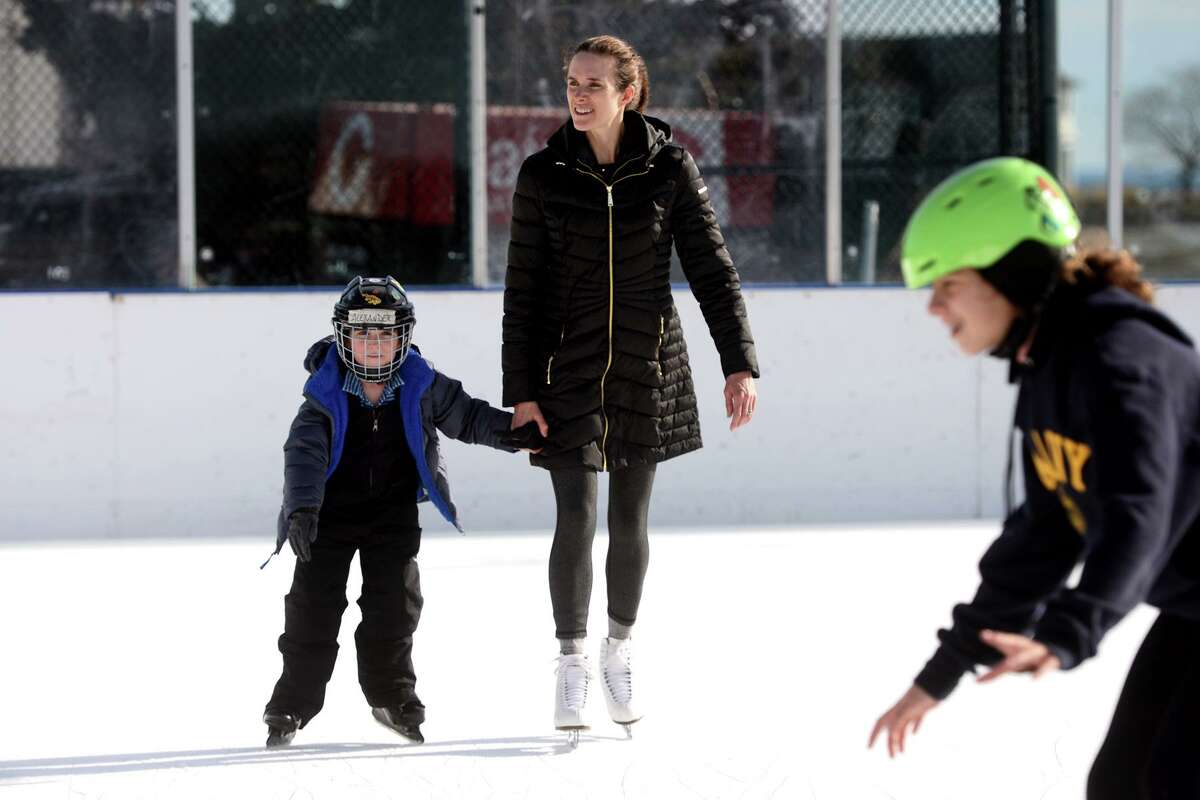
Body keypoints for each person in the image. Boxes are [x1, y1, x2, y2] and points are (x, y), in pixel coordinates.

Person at [868, 157, 1200, 799]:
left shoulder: (1126, 361)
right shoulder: (1052, 367)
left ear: (1008, 273)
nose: (935, 309)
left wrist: (1072, 629)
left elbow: (1141, 511)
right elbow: (1047, 532)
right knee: (1121, 784)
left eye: (947, 285)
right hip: (1191, 610)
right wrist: (945, 670)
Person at [502, 35, 760, 738]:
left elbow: (712, 270)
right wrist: (521, 390)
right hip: (567, 371)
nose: (579, 96)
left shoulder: (670, 167)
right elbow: (521, 294)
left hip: (650, 366)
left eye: (593, 84)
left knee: (630, 520)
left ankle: (619, 647)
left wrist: (739, 361)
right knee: (576, 516)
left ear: (628, 92)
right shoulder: (543, 173)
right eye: (571, 83)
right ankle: (570, 663)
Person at [262, 276, 543, 747]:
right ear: (343, 337)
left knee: (394, 608)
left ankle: (392, 697)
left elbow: (468, 417)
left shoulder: (422, 383)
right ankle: (292, 703)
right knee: (312, 609)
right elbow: (303, 454)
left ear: (403, 337)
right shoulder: (324, 392)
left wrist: (512, 434)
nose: (374, 346)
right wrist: (303, 510)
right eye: (363, 334)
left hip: (391, 515)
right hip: (325, 517)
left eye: (386, 334)